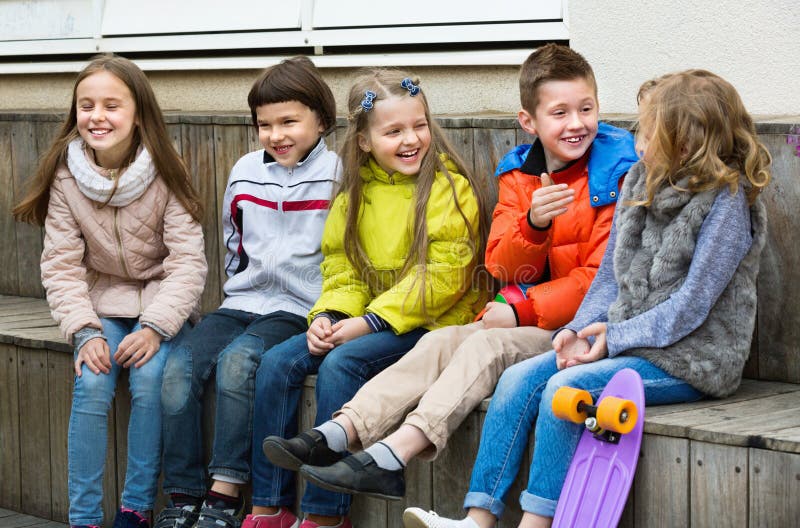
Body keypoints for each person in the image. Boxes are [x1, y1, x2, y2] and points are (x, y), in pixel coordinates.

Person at [263, 43, 637, 503]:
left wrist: (520, 307)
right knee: (440, 341)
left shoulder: (617, 176)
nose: (575, 123)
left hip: (580, 328)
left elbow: (602, 280)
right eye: (560, 112)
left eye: (585, 109)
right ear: (529, 122)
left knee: (480, 342)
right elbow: (500, 262)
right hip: (533, 318)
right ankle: (341, 432)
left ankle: (392, 456)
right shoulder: (520, 174)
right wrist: (534, 224)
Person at [403, 68, 772, 528]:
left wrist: (612, 338)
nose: (638, 136)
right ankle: (477, 520)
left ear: (684, 140)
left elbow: (691, 306)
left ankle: (535, 524)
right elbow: (609, 281)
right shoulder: (640, 180)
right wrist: (577, 330)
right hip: (628, 342)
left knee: (566, 388)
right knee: (519, 380)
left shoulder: (727, 202)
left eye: (649, 128)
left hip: (693, 358)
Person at [246, 68, 493, 528]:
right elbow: (342, 267)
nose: (410, 139)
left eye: (418, 126)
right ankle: (270, 507)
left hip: (432, 323)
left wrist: (371, 323)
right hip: (369, 317)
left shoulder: (448, 188)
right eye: (393, 130)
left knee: (345, 362)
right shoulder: (355, 194)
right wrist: (332, 314)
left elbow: (442, 277)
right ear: (363, 140)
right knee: (278, 363)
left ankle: (323, 516)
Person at [12, 54, 208, 528]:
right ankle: (83, 518)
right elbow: (61, 266)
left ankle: (134, 511)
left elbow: (187, 263)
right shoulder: (67, 176)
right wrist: (84, 331)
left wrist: (157, 327)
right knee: (93, 381)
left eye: (111, 105)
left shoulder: (166, 168)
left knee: (148, 376)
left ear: (138, 113)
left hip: (161, 302)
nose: (97, 116)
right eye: (86, 105)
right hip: (100, 304)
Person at [153, 57, 340, 528]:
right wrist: (236, 291)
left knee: (239, 365)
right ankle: (182, 493)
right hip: (241, 300)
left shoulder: (338, 174)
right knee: (178, 366)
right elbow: (234, 241)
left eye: (289, 122)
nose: (276, 134)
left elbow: (344, 251)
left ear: (321, 119)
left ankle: (225, 491)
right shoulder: (244, 171)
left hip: (300, 307)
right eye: (265, 124)